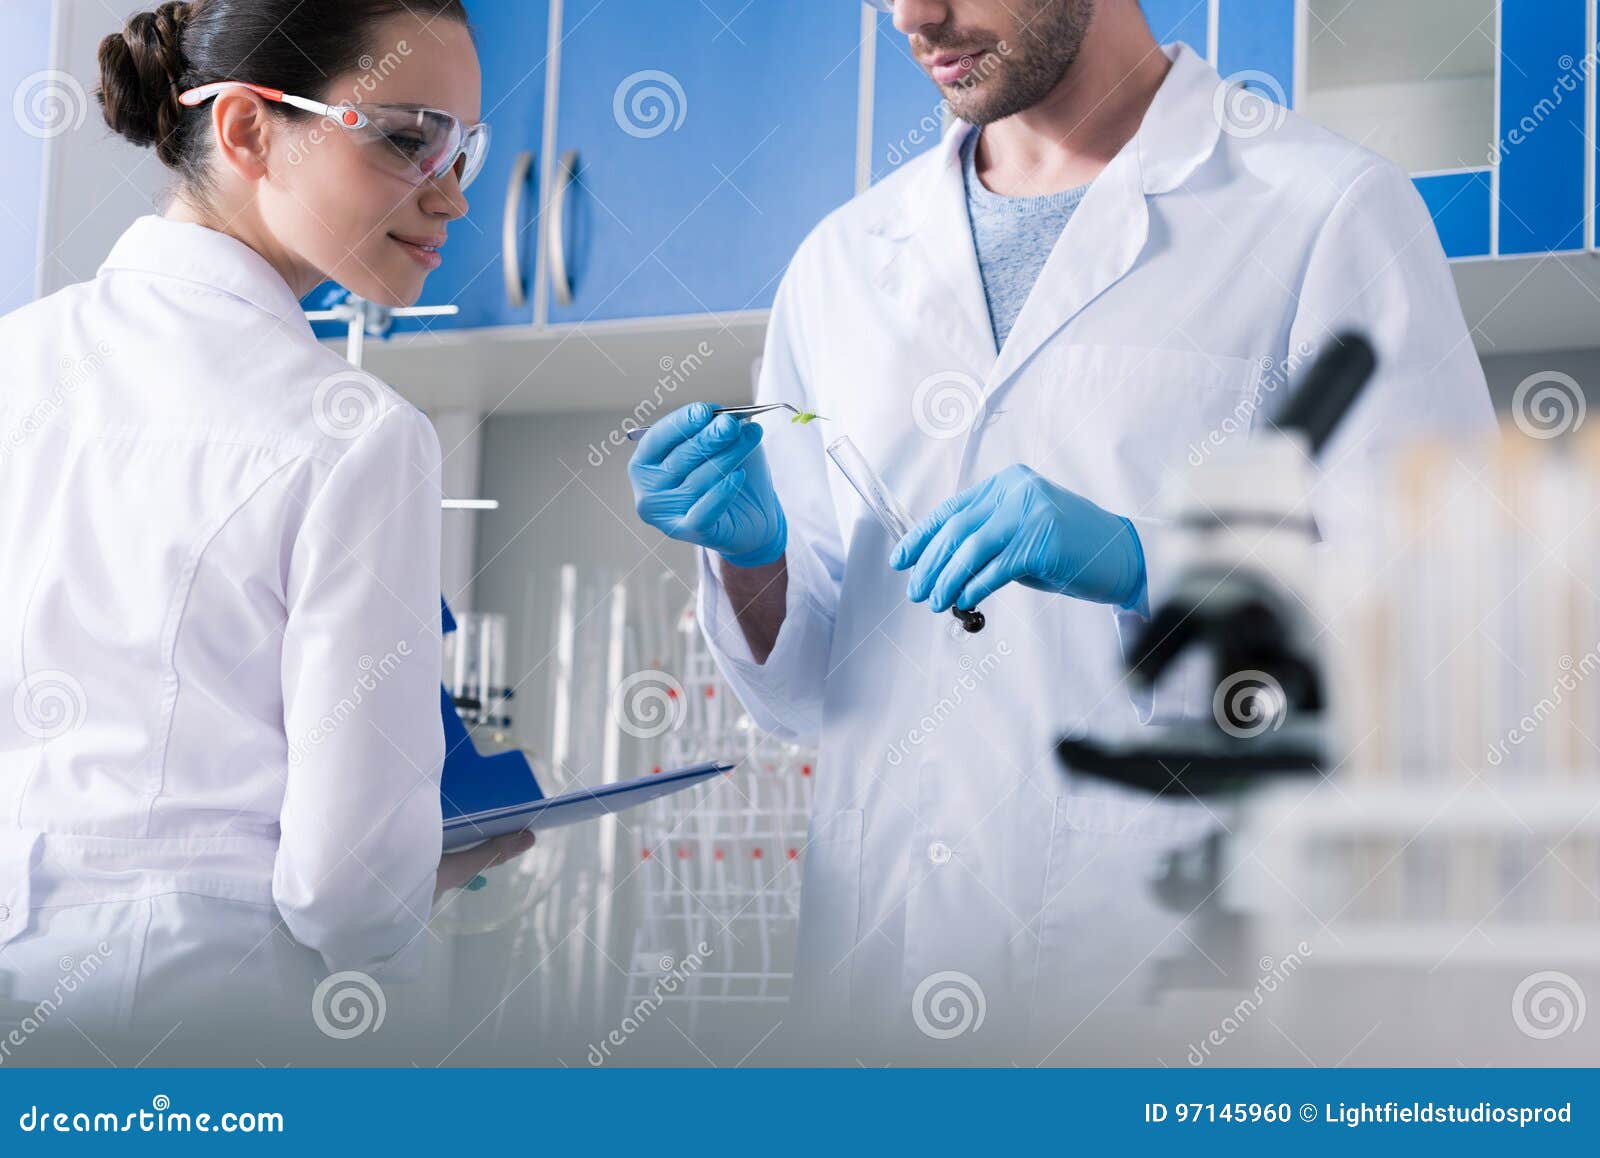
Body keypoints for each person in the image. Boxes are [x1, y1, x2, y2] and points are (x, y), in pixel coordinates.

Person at [628, 0, 1496, 1057]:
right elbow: (809, 692)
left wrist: (1150, 562)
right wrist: (750, 557)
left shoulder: (1322, 211)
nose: (913, 16)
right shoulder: (844, 261)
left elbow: (1454, 636)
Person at [0, 0, 528, 1050]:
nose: (455, 197)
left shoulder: (15, 359)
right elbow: (350, 891)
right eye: (409, 140)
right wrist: (417, 862)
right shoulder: (355, 434)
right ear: (246, 130)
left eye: (464, 150)